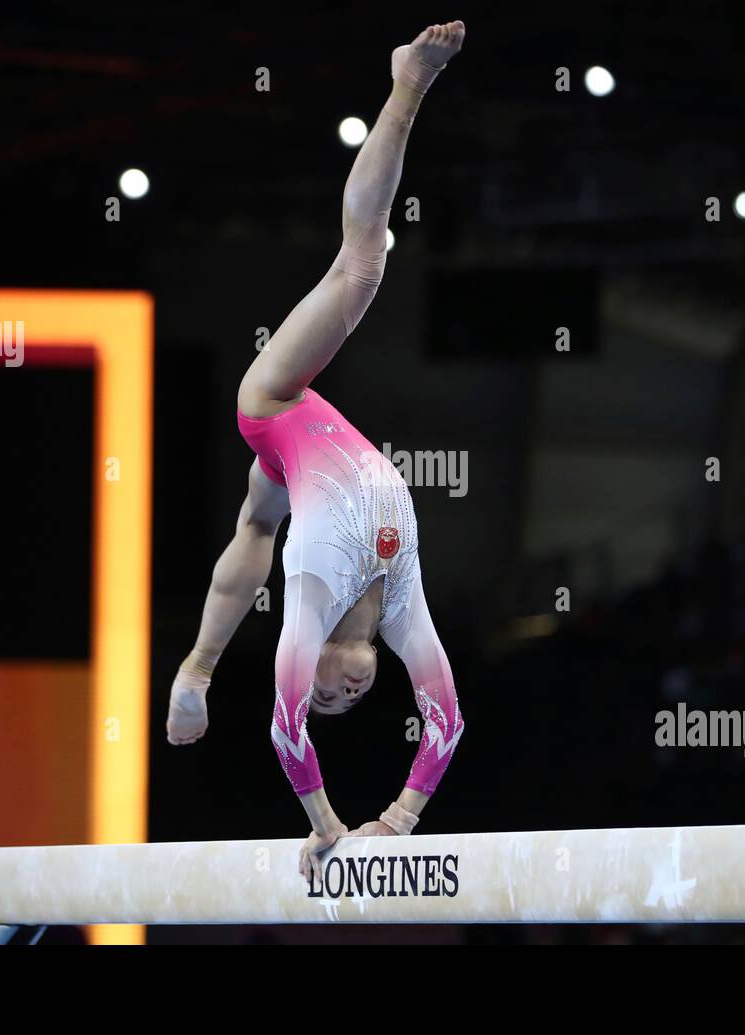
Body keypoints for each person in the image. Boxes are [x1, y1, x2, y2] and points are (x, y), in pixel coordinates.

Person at [167, 21, 467, 884]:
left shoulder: (313, 589)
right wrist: (398, 819)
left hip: (273, 405)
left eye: (328, 693)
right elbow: (445, 719)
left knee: (362, 267)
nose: (339, 695)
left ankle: (407, 82)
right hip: (300, 449)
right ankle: (197, 664)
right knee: (254, 523)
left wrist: (327, 824)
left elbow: (283, 724)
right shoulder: (402, 601)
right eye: (352, 697)